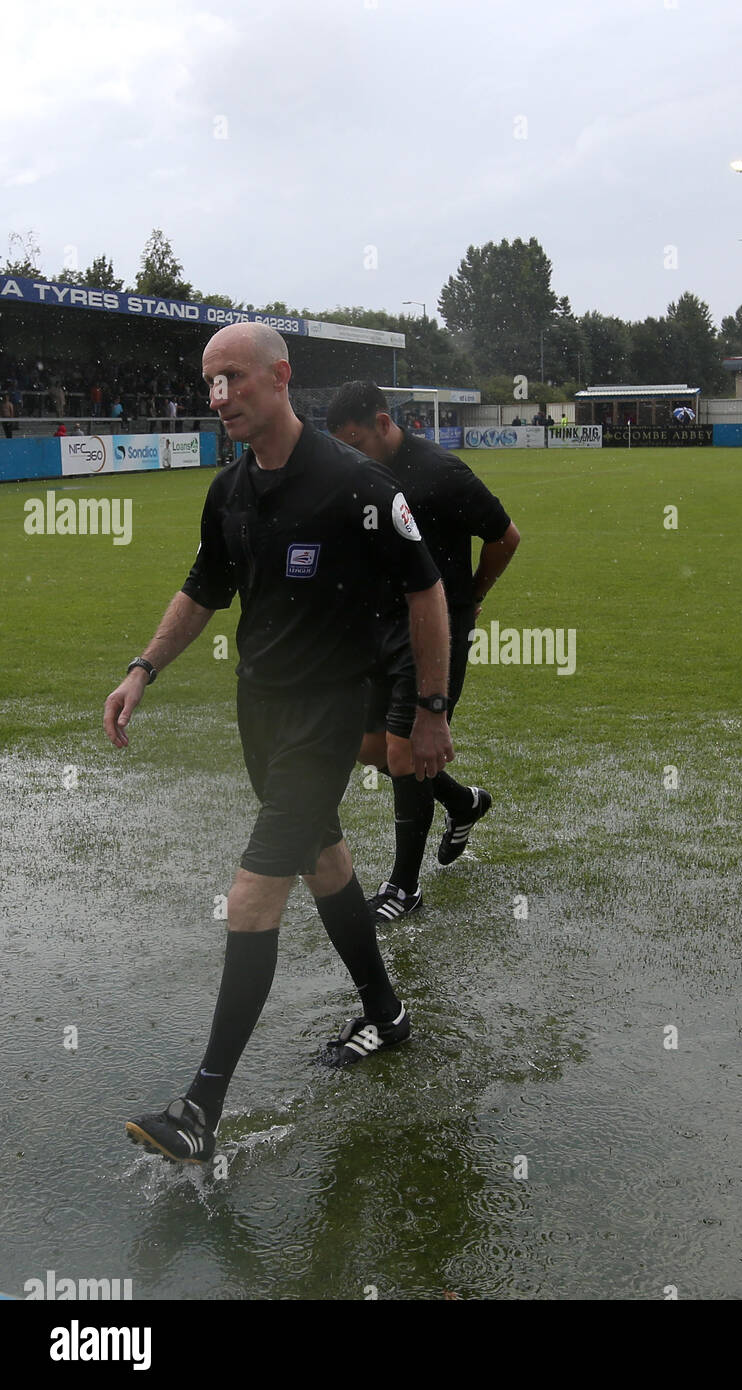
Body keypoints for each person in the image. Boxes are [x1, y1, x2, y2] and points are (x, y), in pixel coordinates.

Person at [103, 324, 453, 1164]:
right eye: (210, 383)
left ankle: (201, 1107)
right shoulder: (227, 492)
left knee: (254, 891)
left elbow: (428, 591)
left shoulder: (355, 485)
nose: (220, 396)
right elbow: (203, 588)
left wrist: (432, 708)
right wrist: (144, 667)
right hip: (259, 713)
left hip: (328, 716)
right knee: (323, 859)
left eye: (235, 379)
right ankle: (386, 1014)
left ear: (280, 377)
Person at [327, 381, 520, 921]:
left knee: (405, 752)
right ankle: (462, 802)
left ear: (384, 424)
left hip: (434, 629)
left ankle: (403, 887)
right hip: (378, 629)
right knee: (369, 748)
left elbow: (506, 537)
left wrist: (471, 597)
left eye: (355, 440)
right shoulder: (361, 475)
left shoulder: (443, 472)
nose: (350, 452)